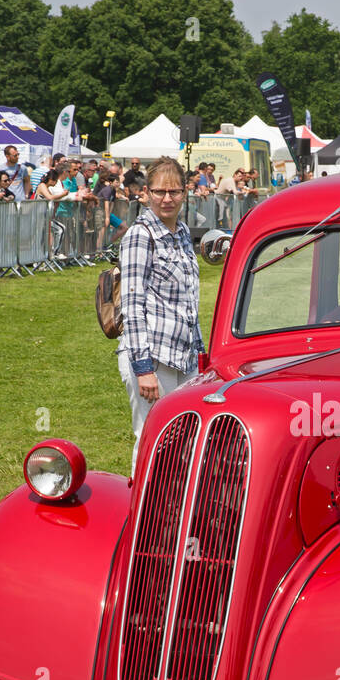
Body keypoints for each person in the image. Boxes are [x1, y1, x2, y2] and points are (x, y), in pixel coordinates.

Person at [117, 157, 203, 474]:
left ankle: (178, 512)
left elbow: (189, 300)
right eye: (159, 192)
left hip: (184, 357)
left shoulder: (181, 232)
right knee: (155, 440)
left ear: (185, 193)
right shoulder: (141, 236)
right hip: (153, 357)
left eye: (175, 191)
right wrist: (143, 368)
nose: (167, 199)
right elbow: (133, 304)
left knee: (187, 442)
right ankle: (144, 516)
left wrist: (200, 352)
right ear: (146, 193)